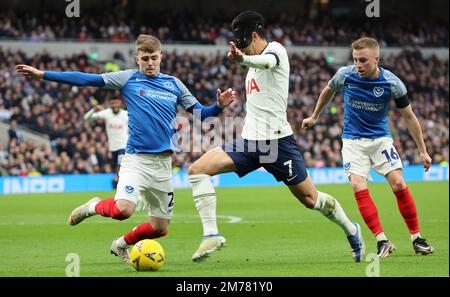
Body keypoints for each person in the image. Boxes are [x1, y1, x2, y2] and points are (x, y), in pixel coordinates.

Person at [16, 34, 235, 263]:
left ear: (162, 57)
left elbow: (201, 114)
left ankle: (121, 243)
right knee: (123, 210)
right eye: (145, 58)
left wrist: (218, 106)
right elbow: (86, 79)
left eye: (153, 58)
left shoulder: (174, 84)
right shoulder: (127, 79)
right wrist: (43, 75)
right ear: (136, 58)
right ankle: (93, 206)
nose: (150, 63)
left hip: (163, 164)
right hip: (136, 159)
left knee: (160, 229)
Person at [187, 11, 364, 263]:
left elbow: (267, 63)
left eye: (243, 41)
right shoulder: (250, 66)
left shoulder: (276, 50)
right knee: (197, 170)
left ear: (254, 35)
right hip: (249, 142)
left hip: (278, 144)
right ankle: (211, 234)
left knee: (311, 200)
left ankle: (351, 229)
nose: (240, 47)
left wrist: (243, 59)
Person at [302, 37, 433, 257]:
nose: (358, 65)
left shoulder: (392, 83)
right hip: (353, 141)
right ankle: (382, 240)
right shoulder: (345, 75)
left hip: (380, 139)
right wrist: (315, 116)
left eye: (363, 60)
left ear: (377, 59)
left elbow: (409, 117)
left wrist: (422, 150)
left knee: (399, 183)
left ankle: (416, 238)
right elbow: (328, 90)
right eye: (355, 60)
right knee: (357, 185)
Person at [84, 98, 128, 188]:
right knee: (116, 168)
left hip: (123, 146)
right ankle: (118, 183)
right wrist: (93, 110)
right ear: (110, 104)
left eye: (116, 103)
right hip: (112, 148)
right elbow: (86, 118)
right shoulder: (106, 113)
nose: (115, 105)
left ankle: (120, 184)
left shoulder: (126, 114)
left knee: (120, 167)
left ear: (120, 103)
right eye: (113, 103)